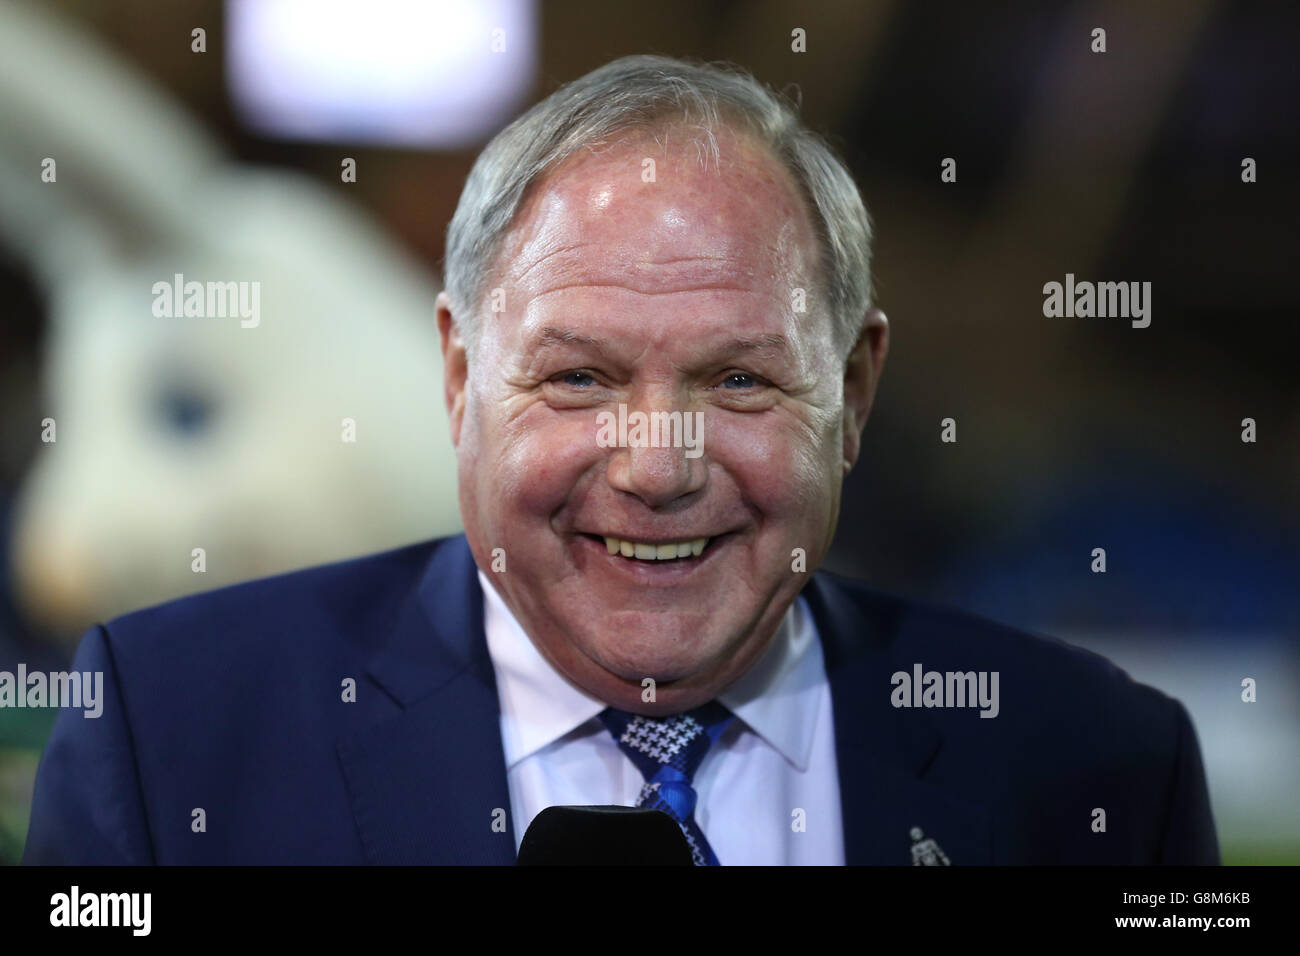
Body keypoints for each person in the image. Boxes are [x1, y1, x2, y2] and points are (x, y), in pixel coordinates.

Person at [23, 55, 1218, 865]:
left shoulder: (1102, 766)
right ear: (458, 378)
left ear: (852, 392)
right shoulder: (165, 738)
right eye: (580, 377)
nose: (655, 468)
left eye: (739, 378)